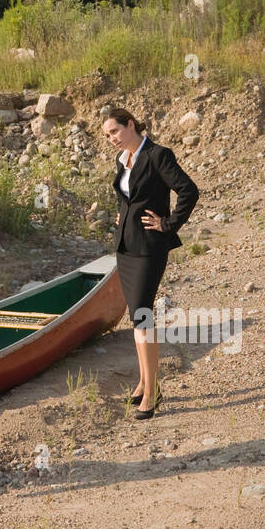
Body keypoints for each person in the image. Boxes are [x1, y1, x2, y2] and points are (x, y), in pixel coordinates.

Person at [101, 107, 199, 420]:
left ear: (131, 124)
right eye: (107, 136)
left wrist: (168, 224)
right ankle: (144, 381)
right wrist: (122, 214)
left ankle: (153, 390)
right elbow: (125, 196)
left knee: (143, 316)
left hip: (150, 248)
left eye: (115, 131)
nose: (112, 139)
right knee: (137, 317)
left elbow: (188, 190)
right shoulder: (122, 160)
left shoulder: (158, 155)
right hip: (126, 247)